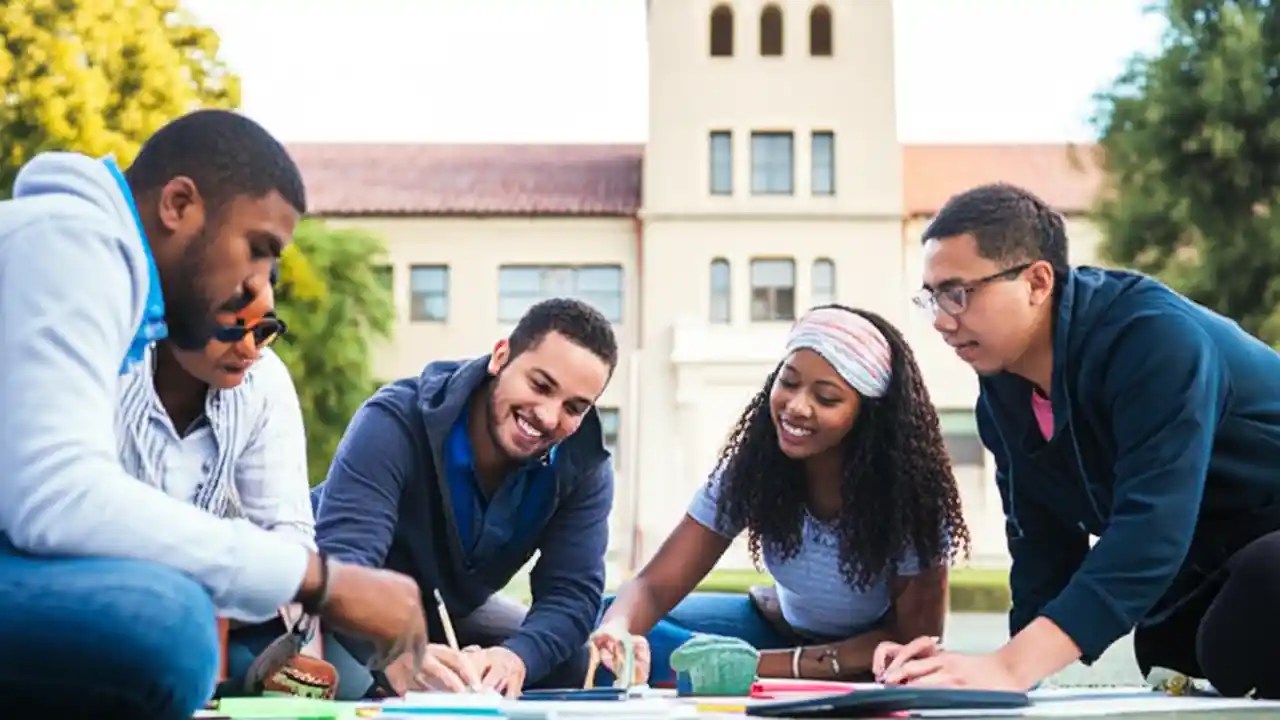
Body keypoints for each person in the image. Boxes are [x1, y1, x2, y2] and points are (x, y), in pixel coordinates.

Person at [0, 109, 428, 720]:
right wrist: (325, 580)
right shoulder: (75, 242)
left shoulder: (104, 275)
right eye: (258, 251)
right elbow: (56, 496)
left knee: (178, 614)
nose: (259, 291)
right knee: (164, 625)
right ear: (178, 204)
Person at [877, 182, 1280, 698]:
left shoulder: (1153, 341)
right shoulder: (1002, 394)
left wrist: (1010, 666)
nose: (941, 320)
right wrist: (1000, 678)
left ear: (1037, 281)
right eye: (931, 297)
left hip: (1261, 560)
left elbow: (1151, 528)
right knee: (1167, 646)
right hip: (1215, 563)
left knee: (1254, 606)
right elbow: (1042, 543)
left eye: (958, 293)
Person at [593, 305, 970, 688]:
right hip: (774, 629)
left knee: (677, 659)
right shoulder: (754, 470)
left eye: (826, 398)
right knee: (605, 617)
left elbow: (913, 644)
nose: (796, 406)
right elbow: (654, 587)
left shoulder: (911, 501)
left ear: (869, 416)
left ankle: (706, 671)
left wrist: (765, 666)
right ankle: (701, 670)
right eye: (789, 382)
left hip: (863, 663)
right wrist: (618, 632)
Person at [312, 297, 619, 698]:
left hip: (449, 614)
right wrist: (397, 653)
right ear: (500, 357)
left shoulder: (584, 465)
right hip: (339, 602)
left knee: (574, 662)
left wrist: (514, 659)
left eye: (574, 407)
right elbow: (344, 563)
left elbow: (571, 596)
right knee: (347, 682)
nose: (548, 416)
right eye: (540, 386)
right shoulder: (395, 421)